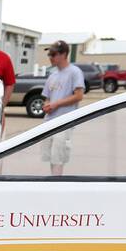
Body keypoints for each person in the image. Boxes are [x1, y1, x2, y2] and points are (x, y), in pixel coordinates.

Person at [39, 39, 85, 176]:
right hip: (49, 121)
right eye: (49, 54)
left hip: (64, 122)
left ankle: (55, 186)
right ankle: (54, 183)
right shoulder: (52, 75)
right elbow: (47, 97)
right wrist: (47, 105)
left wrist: (56, 104)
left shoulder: (74, 72)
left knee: (58, 157)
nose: (50, 58)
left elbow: (78, 95)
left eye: (53, 54)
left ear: (64, 54)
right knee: (50, 156)